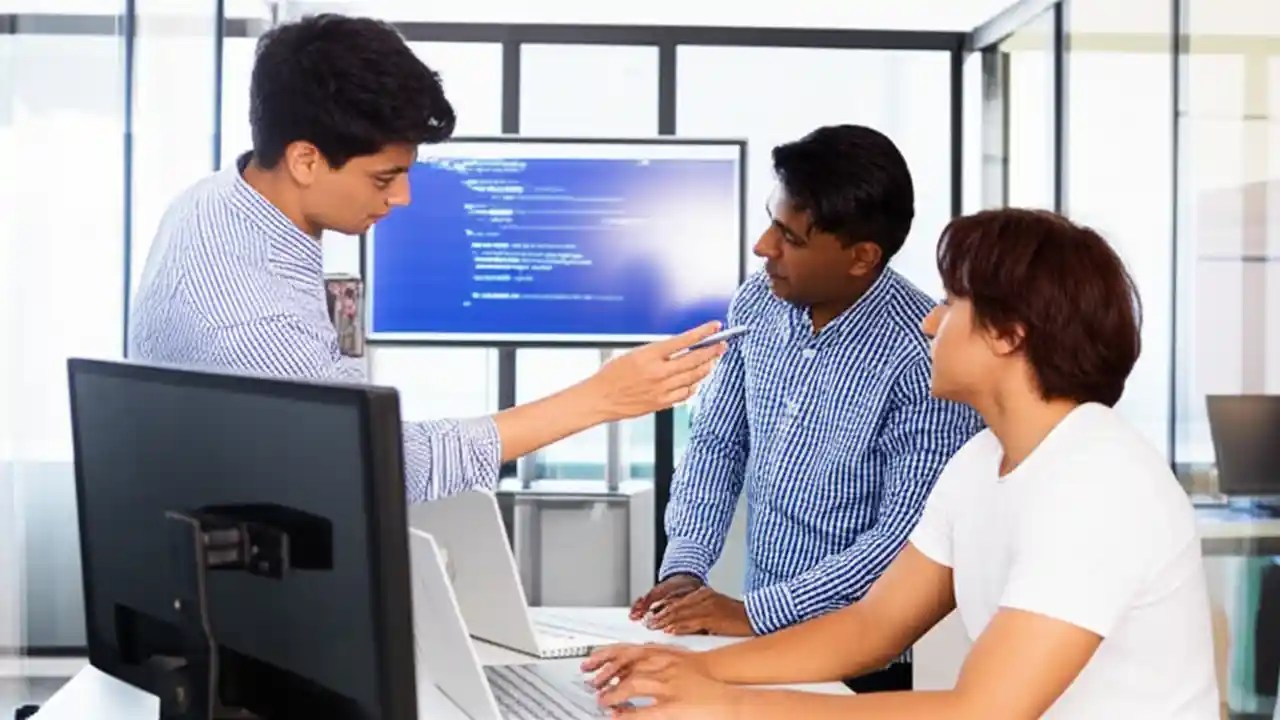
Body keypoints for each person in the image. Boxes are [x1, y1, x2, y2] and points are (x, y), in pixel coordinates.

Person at [584, 208, 1220, 719]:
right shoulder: (983, 459)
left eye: (952, 304)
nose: (929, 322)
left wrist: (725, 706)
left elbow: (985, 710)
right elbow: (872, 627)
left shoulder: (1097, 484)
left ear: (1008, 334)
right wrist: (690, 668)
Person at [126, 14, 725, 504]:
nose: (402, 197)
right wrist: (602, 398)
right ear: (305, 159)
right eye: (385, 177)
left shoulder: (213, 199)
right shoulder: (250, 316)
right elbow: (380, 467)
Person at [628, 124, 983, 691]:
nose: (763, 248)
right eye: (772, 222)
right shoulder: (759, 301)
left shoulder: (925, 359)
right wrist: (686, 565)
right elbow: (719, 444)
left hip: (858, 658)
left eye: (789, 238)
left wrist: (755, 613)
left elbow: (902, 540)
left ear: (861, 257)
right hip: (751, 633)